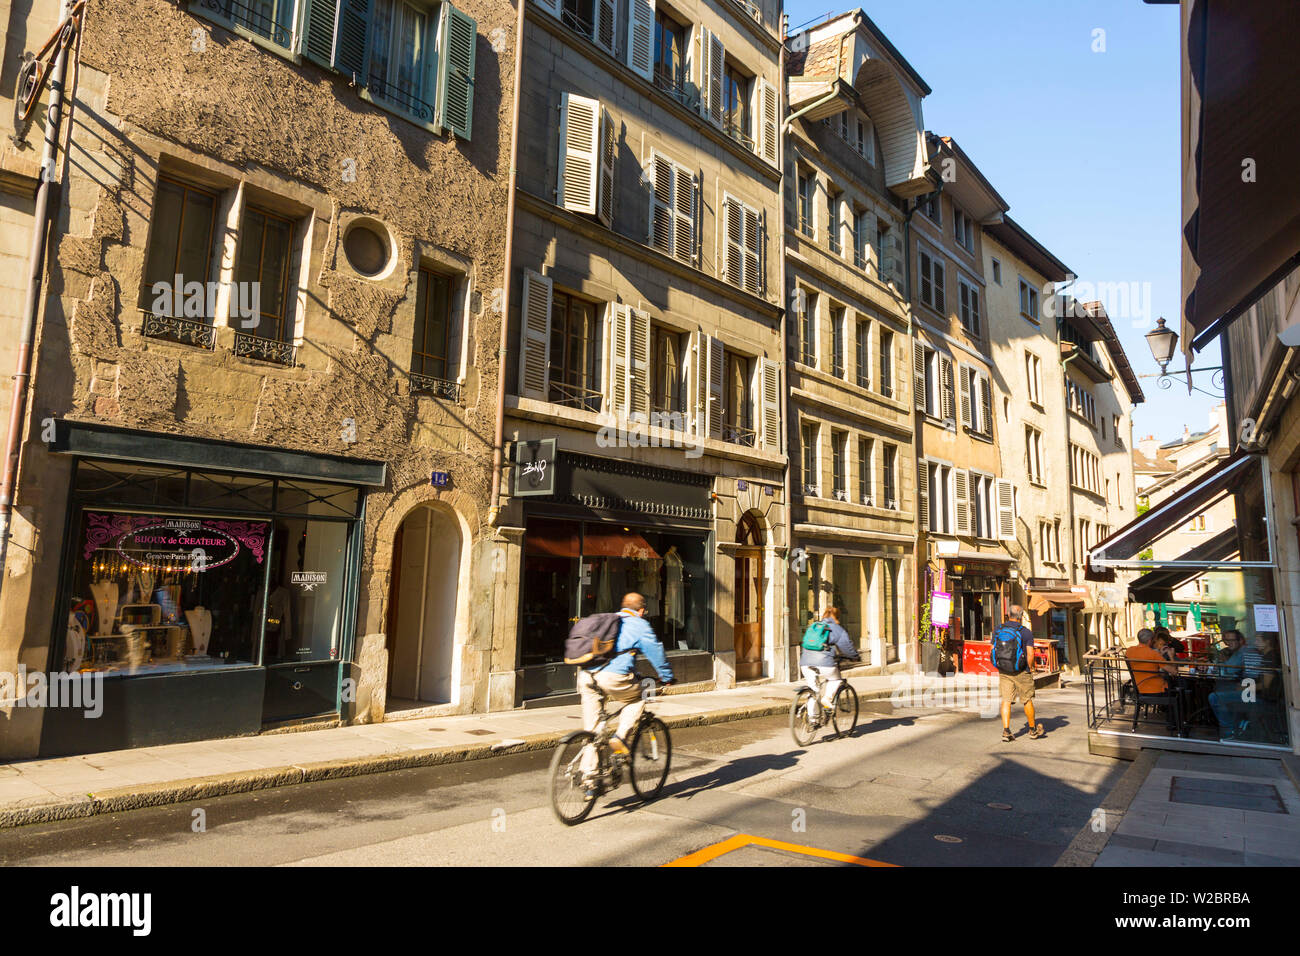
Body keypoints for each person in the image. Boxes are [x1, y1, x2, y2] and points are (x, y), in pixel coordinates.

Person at [577, 593, 674, 792]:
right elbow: (656, 652)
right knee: (640, 697)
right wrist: (666, 676)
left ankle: (589, 780)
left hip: (586, 676)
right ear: (641, 610)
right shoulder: (640, 625)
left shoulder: (609, 619)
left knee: (593, 730)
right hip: (612, 677)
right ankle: (620, 737)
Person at [799, 606, 860, 721]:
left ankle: (813, 720)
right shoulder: (837, 629)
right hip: (824, 662)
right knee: (836, 680)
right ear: (837, 617)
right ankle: (827, 698)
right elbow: (847, 647)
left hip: (805, 662)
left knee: (814, 690)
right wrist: (855, 657)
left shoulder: (814, 626)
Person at [993, 605, 1043, 741]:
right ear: (1021, 616)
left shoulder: (998, 629)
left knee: (1006, 700)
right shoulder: (1026, 632)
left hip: (1004, 670)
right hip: (1021, 670)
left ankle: (1006, 731)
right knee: (1027, 700)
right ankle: (1032, 730)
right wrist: (1030, 668)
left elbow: (993, 649)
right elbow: (1030, 654)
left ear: (1008, 614)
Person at [1208, 629, 1249, 739]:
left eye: (1232, 640)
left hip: (1249, 691)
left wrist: (1218, 665)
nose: (1228, 643)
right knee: (1216, 692)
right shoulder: (1236, 652)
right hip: (1240, 686)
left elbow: (1228, 670)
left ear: (1240, 640)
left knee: (1215, 697)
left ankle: (1229, 730)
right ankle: (1235, 725)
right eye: (1226, 640)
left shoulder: (1243, 652)